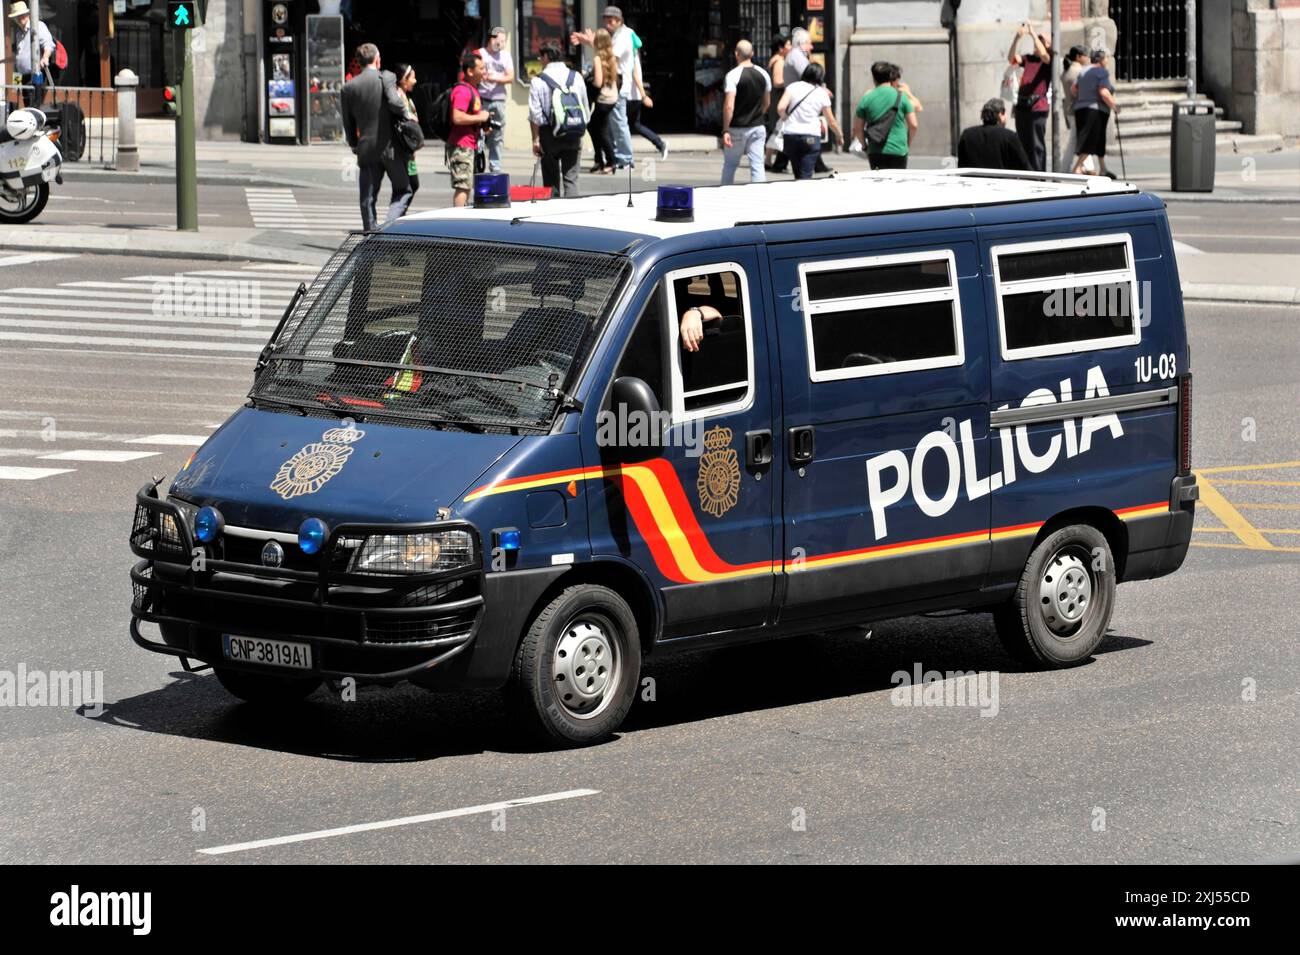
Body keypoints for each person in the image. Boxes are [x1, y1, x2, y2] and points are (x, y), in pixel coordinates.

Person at [340, 43, 413, 230]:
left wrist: (354, 144)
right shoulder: (386, 77)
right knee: (403, 190)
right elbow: (396, 104)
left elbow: (348, 124)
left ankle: (370, 234)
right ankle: (389, 226)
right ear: (377, 59)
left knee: (368, 197)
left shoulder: (348, 87)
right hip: (390, 147)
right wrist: (407, 114)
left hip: (366, 148)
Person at [573, 7, 636, 170]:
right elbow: (606, 52)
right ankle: (606, 159)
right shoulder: (614, 38)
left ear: (619, 21)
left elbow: (607, 58)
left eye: (610, 20)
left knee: (616, 124)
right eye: (605, 20)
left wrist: (586, 76)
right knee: (602, 126)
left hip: (614, 90)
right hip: (612, 90)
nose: (607, 23)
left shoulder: (622, 36)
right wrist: (590, 41)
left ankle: (622, 159)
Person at [529, 43, 590, 198]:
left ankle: (553, 216)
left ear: (546, 57)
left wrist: (536, 139)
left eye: (540, 57)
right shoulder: (576, 77)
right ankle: (572, 215)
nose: (540, 60)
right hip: (574, 131)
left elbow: (535, 115)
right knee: (571, 179)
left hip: (549, 134)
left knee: (550, 182)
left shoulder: (538, 81)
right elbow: (585, 109)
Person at [778, 62, 842, 180]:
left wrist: (786, 118)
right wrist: (839, 135)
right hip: (811, 135)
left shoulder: (793, 87)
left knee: (797, 173)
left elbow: (781, 107)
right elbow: (831, 121)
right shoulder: (822, 93)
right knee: (806, 175)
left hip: (791, 135)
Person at [720, 39, 770, 185]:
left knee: (730, 165)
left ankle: (725, 195)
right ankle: (760, 196)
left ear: (737, 54)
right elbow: (767, 102)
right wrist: (758, 114)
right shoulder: (763, 74)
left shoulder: (732, 75)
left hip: (737, 127)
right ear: (752, 53)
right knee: (757, 166)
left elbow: (729, 106)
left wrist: (725, 130)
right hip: (757, 126)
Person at [852, 60, 917, 170]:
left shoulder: (867, 98)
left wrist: (864, 146)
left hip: (875, 151)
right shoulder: (901, 96)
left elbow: (857, 128)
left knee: (879, 185)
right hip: (899, 149)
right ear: (890, 75)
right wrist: (907, 144)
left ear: (873, 77)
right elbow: (913, 125)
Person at [446, 52, 491, 207]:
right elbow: (457, 117)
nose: (484, 72)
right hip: (461, 146)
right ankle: (457, 224)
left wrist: (484, 125)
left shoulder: (473, 90)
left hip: (470, 145)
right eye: (481, 68)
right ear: (470, 71)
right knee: (462, 187)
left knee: (467, 185)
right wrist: (481, 117)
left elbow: (471, 115)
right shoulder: (462, 91)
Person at [1008, 22, 1053, 172]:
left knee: (1036, 145)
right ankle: (1026, 174)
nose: (1037, 43)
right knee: (1023, 143)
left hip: (1037, 107)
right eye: (1036, 41)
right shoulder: (1028, 58)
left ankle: (1039, 176)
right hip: (1022, 106)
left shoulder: (1047, 60)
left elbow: (1045, 56)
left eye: (1042, 41)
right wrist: (1017, 38)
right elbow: (1011, 59)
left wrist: (1034, 34)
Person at [1073, 48, 1118, 178]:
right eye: (1106, 58)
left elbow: (1074, 89)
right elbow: (1104, 92)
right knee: (1091, 140)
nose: (1107, 60)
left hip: (1081, 108)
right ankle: (1077, 168)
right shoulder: (1101, 72)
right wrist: (1114, 106)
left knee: (1098, 140)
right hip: (1095, 110)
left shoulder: (1083, 71)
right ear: (1101, 60)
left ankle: (1103, 169)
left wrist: (1084, 97)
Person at [476, 27, 514, 174]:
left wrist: (495, 78)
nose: (501, 43)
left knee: (497, 134)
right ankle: (477, 161)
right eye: (499, 40)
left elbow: (510, 77)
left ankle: (495, 164)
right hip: (482, 98)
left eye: (504, 41)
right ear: (491, 38)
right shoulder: (481, 54)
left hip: (498, 99)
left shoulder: (505, 56)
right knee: (479, 132)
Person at [957, 98, 1030, 170]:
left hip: (971, 181)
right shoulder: (1010, 136)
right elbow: (1025, 167)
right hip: (1001, 181)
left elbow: (961, 165)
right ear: (1000, 114)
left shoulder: (967, 135)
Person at [627, 36, 668, 161]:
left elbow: (635, 76)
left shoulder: (630, 57)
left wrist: (644, 96)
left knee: (620, 125)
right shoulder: (635, 56)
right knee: (636, 125)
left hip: (630, 96)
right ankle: (660, 144)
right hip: (634, 96)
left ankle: (622, 155)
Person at [389, 63, 423, 213]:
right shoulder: (397, 98)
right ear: (403, 79)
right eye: (412, 77)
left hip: (409, 153)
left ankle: (399, 214)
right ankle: (395, 217)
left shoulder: (405, 97)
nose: (415, 81)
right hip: (402, 152)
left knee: (412, 184)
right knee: (407, 186)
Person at [8, 2, 53, 108]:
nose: (20, 18)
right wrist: (16, 81)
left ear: (27, 14)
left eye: (22, 15)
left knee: (35, 106)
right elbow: (19, 55)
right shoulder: (19, 33)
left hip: (36, 74)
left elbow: (48, 44)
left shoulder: (38, 26)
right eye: (17, 16)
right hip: (23, 76)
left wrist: (45, 57)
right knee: (28, 105)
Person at [587, 29, 620, 174]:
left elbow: (598, 82)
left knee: (600, 130)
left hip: (603, 100)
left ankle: (611, 161)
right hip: (612, 97)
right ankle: (599, 160)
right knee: (595, 128)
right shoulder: (612, 56)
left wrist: (586, 79)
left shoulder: (597, 58)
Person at [764, 34, 790, 170]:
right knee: (779, 130)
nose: (790, 47)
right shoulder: (779, 61)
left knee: (776, 130)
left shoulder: (774, 59)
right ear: (781, 48)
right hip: (778, 99)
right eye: (788, 45)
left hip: (775, 98)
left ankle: (768, 160)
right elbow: (777, 82)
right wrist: (791, 81)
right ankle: (772, 161)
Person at [1061, 44, 1091, 164]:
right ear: (1078, 57)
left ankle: (1088, 168)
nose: (1087, 58)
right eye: (1085, 55)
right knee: (1075, 140)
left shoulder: (1068, 70)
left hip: (1070, 109)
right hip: (1077, 109)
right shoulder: (1079, 71)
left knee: (1080, 139)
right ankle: (1065, 169)